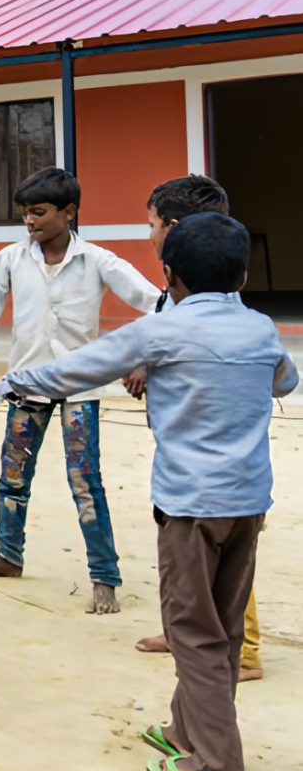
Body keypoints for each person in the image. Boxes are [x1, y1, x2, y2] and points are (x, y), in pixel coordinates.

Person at [0, 212, 296, 771]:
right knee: (221, 625)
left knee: (191, 629)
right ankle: (189, 729)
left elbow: (69, 371)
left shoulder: (161, 333)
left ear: (168, 275)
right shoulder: (259, 329)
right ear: (245, 275)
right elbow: (285, 382)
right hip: (249, 502)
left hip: (189, 506)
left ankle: (218, 764)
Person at [0, 166, 159, 614]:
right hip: (26, 384)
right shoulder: (11, 259)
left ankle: (104, 577)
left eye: (38, 212)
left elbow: (158, 303)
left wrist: (143, 357)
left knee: (85, 482)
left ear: (69, 211)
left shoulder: (98, 260)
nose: (30, 222)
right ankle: (8, 556)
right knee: (13, 477)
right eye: (25, 214)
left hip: (81, 387)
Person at [125, 176, 264, 682]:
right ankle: (183, 627)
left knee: (223, 556)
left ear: (175, 229)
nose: (149, 234)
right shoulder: (176, 289)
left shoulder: (217, 295)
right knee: (191, 560)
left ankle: (243, 652)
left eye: (152, 224)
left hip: (220, 462)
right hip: (184, 454)